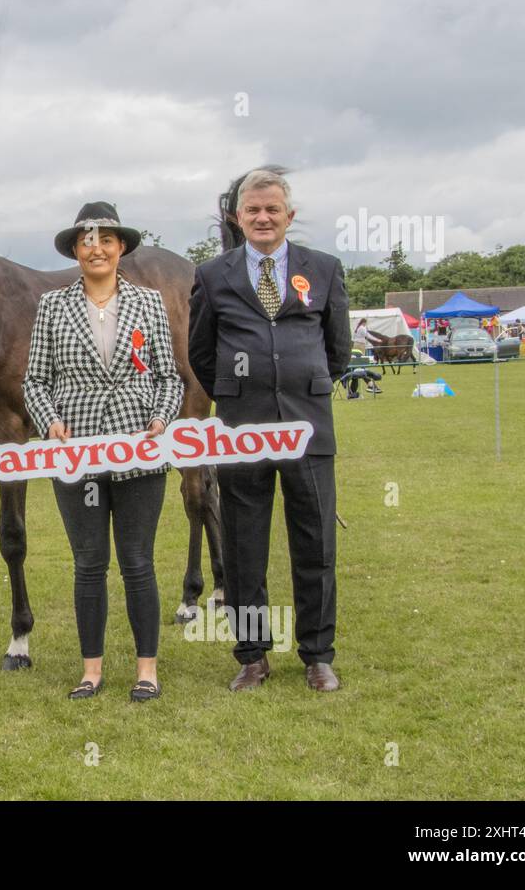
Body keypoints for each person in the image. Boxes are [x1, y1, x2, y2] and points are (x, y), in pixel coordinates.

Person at [188, 169, 351, 693]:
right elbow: (202, 353)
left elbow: (338, 351)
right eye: (252, 210)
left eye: (272, 209)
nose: (262, 218)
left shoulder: (323, 269)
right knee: (243, 549)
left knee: (316, 544)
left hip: (308, 430)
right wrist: (241, 394)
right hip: (242, 434)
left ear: (289, 216)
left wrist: (300, 383)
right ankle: (253, 656)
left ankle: (317, 656)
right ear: (239, 217)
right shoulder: (213, 275)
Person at [23, 202, 185, 703]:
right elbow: (35, 380)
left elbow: (168, 376)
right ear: (75, 250)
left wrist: (161, 419)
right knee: (89, 564)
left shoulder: (150, 303)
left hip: (140, 451)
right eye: (86, 240)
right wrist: (49, 422)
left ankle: (146, 670)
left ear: (120, 248)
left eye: (105, 240)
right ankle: (90, 671)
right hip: (76, 455)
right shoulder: (52, 306)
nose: (96, 248)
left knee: (138, 562)